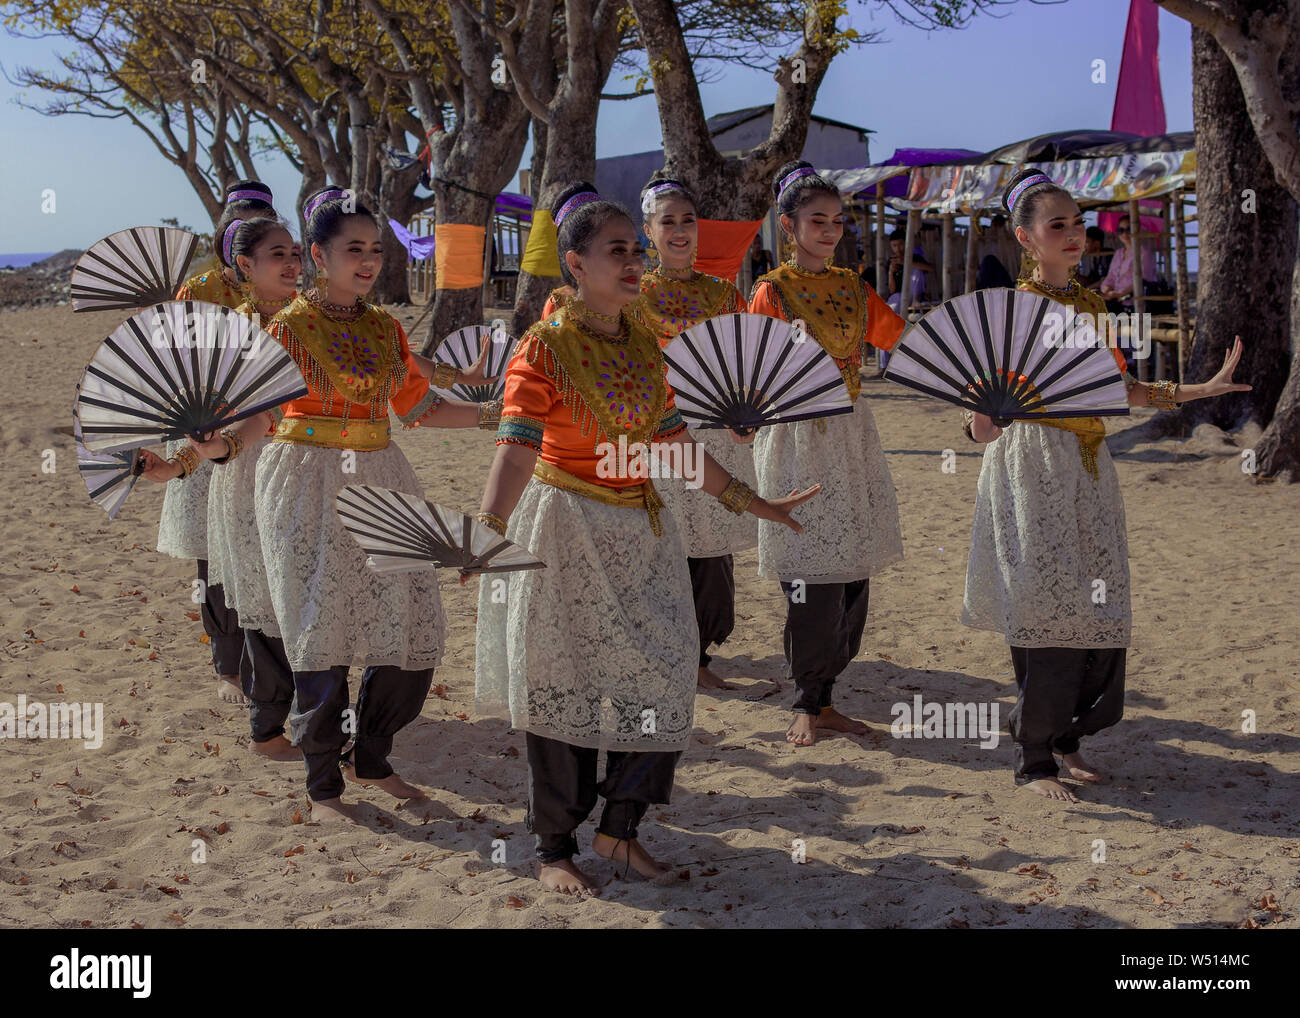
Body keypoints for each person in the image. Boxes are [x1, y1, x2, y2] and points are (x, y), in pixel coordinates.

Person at [475, 181, 817, 895]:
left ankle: (620, 828)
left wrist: (755, 502)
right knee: (563, 686)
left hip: (644, 528)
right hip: (567, 526)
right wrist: (490, 528)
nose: (633, 262)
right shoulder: (543, 346)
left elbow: (672, 442)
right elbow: (515, 446)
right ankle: (555, 848)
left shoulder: (639, 341)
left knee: (664, 677)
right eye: (616, 251)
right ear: (575, 264)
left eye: (636, 249)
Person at [962, 169, 1250, 803]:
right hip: (1029, 469)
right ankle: (1034, 760)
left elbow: (1123, 392)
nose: (1074, 234)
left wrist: (1199, 390)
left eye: (1078, 223)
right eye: (1056, 225)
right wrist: (992, 408)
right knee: (1044, 607)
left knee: (1098, 604)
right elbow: (977, 426)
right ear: (1025, 239)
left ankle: (1069, 739)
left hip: (1089, 471)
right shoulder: (1006, 313)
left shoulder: (1093, 307)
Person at [253, 186, 497, 822]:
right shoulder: (285, 329)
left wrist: (496, 414)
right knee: (321, 626)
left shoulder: (387, 328)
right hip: (305, 481)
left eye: (375, 249)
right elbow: (250, 411)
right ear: (318, 255)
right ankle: (322, 785)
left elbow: (418, 409)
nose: (367, 260)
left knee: (410, 620)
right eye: (352, 249)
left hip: (384, 473)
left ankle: (373, 756)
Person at [747, 160, 906, 747]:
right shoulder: (771, 291)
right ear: (789, 226)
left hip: (852, 434)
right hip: (797, 436)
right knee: (810, 570)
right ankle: (805, 701)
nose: (830, 230)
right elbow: (751, 368)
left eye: (837, 221)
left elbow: (898, 339)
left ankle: (828, 696)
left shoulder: (851, 286)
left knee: (854, 568)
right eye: (818, 221)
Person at [633, 171, 757, 690]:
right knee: (663, 546)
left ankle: (701, 656)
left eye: (688, 221)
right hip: (656, 435)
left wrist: (749, 413)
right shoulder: (633, 293)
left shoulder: (724, 293)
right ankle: (666, 654)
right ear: (648, 230)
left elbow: (744, 358)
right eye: (669, 222)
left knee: (711, 547)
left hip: (713, 432)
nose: (680, 231)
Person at [158, 179, 279, 704]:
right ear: (226, 239)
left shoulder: (286, 291)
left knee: (263, 544)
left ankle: (266, 661)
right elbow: (176, 360)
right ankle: (227, 660)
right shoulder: (198, 291)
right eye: (239, 229)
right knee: (214, 551)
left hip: (267, 432)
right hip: (207, 428)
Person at [1098, 213, 1155, 311]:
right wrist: (1107, 289)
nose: (1125, 234)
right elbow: (1110, 277)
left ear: (1137, 230)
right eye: (1121, 230)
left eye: (1129, 230)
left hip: (1135, 303)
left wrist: (1121, 293)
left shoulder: (1144, 253)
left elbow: (1144, 281)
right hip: (1115, 300)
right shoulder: (1118, 253)